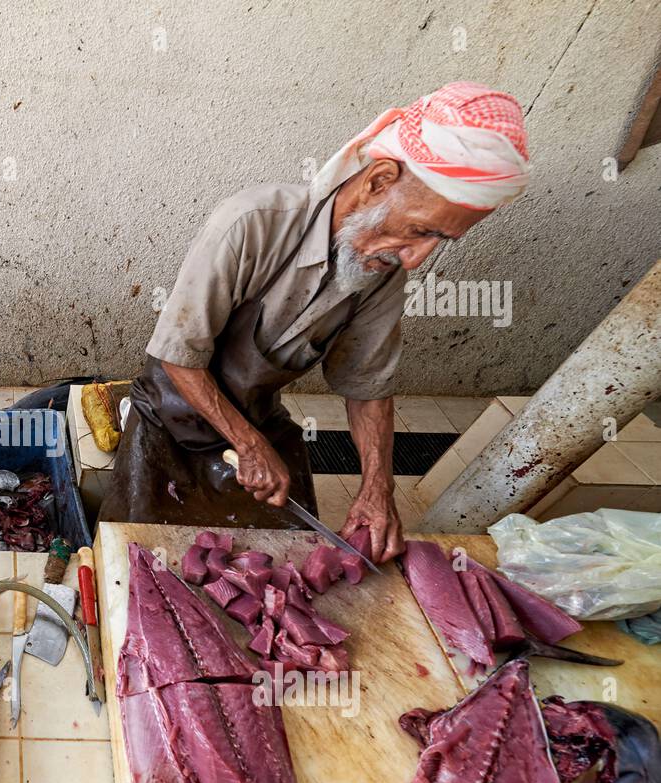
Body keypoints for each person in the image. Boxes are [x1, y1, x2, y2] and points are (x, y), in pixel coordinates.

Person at [101, 82, 531, 563]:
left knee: (287, 560)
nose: (416, 259)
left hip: (261, 418)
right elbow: (178, 356)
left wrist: (378, 487)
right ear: (379, 180)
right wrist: (246, 444)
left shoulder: (380, 268)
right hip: (169, 416)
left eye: (442, 241)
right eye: (421, 230)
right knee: (139, 559)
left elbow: (366, 384)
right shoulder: (253, 224)